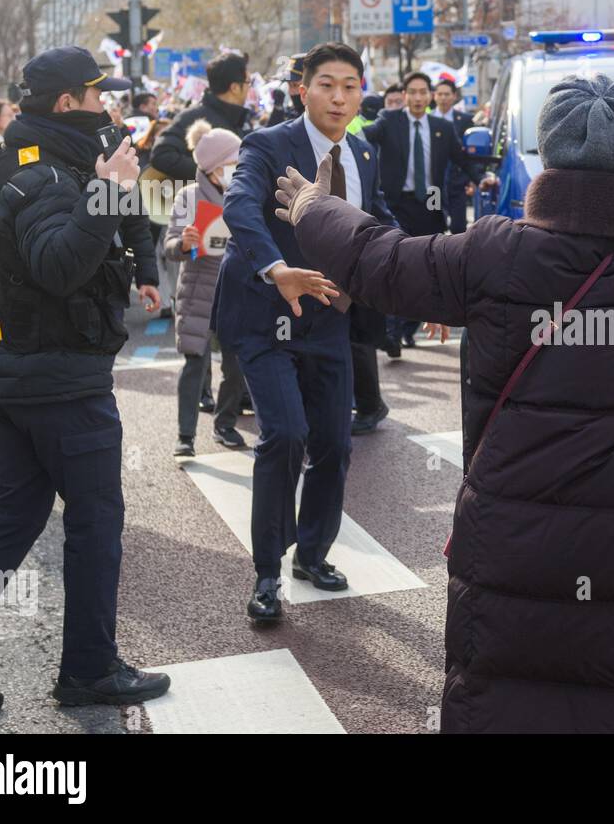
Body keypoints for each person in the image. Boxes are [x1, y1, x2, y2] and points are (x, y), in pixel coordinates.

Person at [275, 73, 614, 733]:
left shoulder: (494, 250)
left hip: (510, 536)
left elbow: (379, 260)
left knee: (510, 692)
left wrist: (316, 207)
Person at [0, 47, 169, 717]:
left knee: (11, 521)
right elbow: (59, 264)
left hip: (11, 373)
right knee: (95, 525)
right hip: (59, 382)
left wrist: (120, 210)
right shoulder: (45, 176)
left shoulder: (16, 159)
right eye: (98, 94)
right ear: (68, 101)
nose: (109, 104)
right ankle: (90, 669)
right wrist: (112, 192)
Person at [216, 42, 396, 622]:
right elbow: (240, 209)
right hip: (266, 311)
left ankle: (312, 554)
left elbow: (381, 223)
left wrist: (427, 282)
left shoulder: (365, 154)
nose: (338, 97)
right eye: (326, 84)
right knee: (285, 435)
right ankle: (267, 572)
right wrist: (277, 269)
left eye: (349, 85)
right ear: (302, 89)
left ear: (361, 92)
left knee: (335, 444)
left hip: (329, 318)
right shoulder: (267, 145)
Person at [360, 71, 494, 346]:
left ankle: (409, 328)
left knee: (424, 267)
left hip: (431, 202)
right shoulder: (389, 119)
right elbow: (364, 138)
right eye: (413, 92)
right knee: (394, 263)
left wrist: (481, 178)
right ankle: (392, 333)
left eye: (424, 92)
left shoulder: (442, 128)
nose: (418, 97)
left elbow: (462, 159)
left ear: (430, 96)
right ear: (405, 95)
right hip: (396, 203)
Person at [164, 121, 247, 457]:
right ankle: (185, 435)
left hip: (236, 291)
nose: (239, 168)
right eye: (233, 163)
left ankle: (225, 424)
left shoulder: (246, 192)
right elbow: (169, 245)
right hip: (198, 290)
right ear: (214, 168)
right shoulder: (188, 196)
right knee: (194, 362)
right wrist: (183, 243)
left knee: (236, 364)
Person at [151, 52, 251, 181]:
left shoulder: (239, 120)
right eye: (248, 82)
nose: (250, 88)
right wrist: (210, 172)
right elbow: (161, 155)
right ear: (235, 87)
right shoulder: (192, 117)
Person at [432, 77, 475, 234]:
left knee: (458, 228)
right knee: (434, 224)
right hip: (433, 187)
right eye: (440, 94)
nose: (443, 98)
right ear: (434, 96)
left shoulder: (465, 120)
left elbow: (469, 154)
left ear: (454, 96)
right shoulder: (426, 120)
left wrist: (473, 179)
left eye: (447, 94)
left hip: (457, 183)